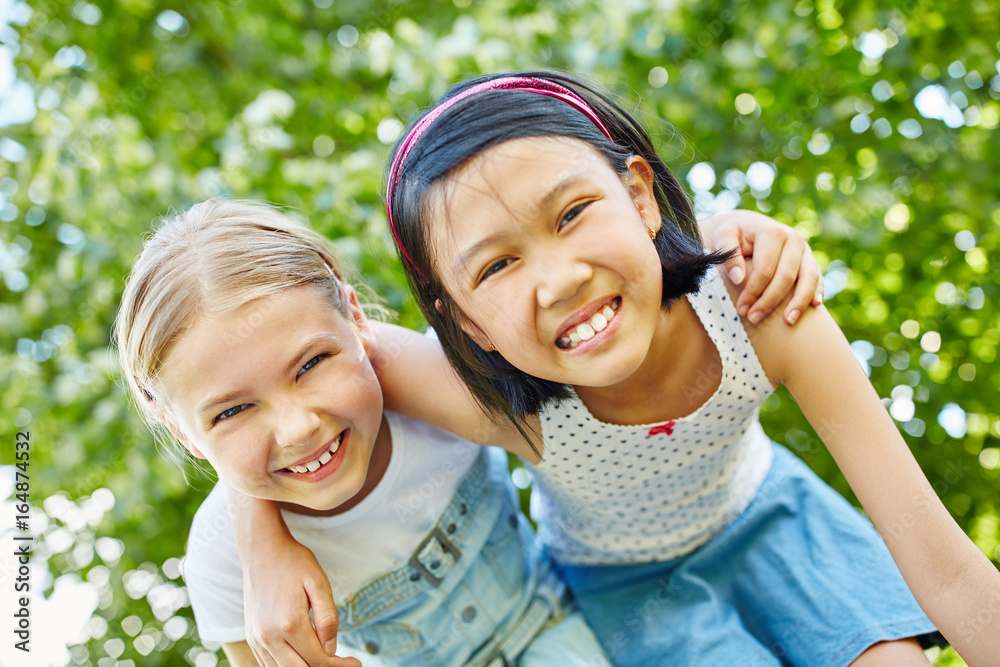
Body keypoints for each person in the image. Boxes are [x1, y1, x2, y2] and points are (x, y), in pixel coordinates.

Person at [370, 71, 1000, 666]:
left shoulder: (754, 301)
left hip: (773, 515)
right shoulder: (493, 399)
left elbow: (944, 566)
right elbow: (291, 369)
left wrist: (721, 231)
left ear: (640, 197)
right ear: (465, 323)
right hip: (632, 592)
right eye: (497, 266)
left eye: (571, 213)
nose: (559, 282)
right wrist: (267, 540)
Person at [113, 199, 619, 667]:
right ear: (184, 434)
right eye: (233, 411)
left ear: (356, 317)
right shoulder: (220, 560)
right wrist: (255, 542)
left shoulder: (436, 390)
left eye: (311, 363)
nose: (298, 428)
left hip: (569, 632)